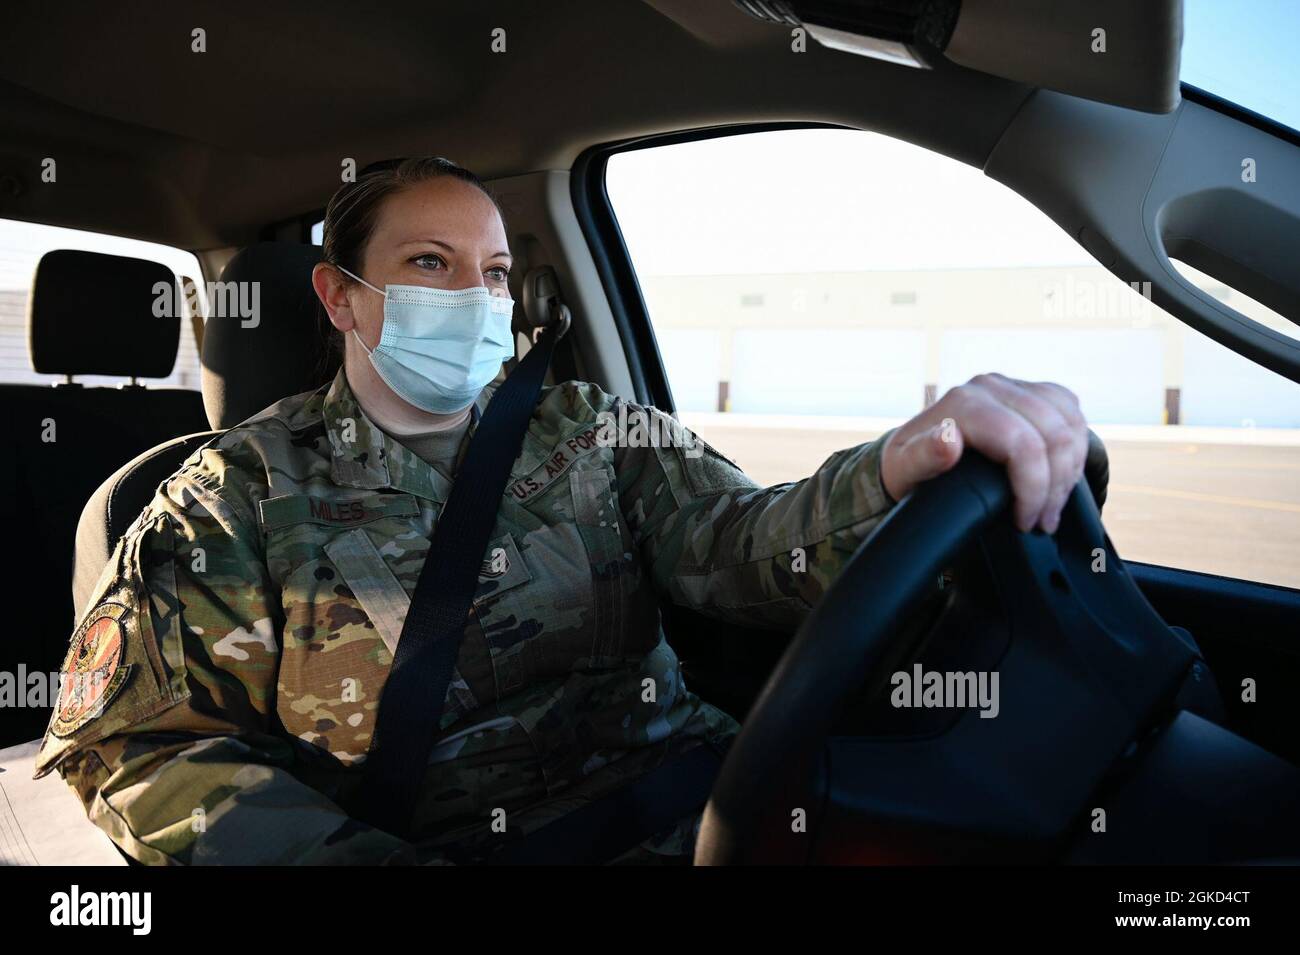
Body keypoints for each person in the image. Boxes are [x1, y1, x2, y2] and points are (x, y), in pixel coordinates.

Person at [35, 157, 1103, 864]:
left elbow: (737, 544)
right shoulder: (232, 496)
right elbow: (136, 748)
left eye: (493, 273)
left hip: (709, 815)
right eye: (428, 263)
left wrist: (891, 471)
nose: (473, 297)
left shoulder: (588, 426)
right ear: (340, 296)